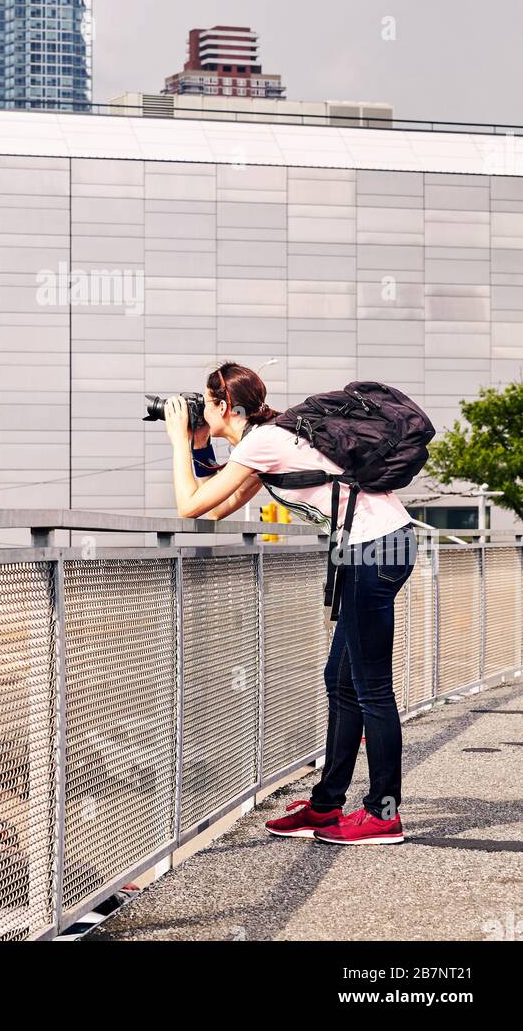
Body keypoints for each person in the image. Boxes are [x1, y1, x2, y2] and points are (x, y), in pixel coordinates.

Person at [164, 360, 418, 847]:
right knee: (340, 682)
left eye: (204, 403)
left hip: (375, 549)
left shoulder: (264, 442)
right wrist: (199, 443)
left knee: (371, 690)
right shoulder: (263, 443)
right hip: (372, 548)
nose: (199, 411)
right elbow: (217, 506)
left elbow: (188, 506)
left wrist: (179, 439)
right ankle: (325, 807)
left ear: (224, 406)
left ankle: (383, 815)